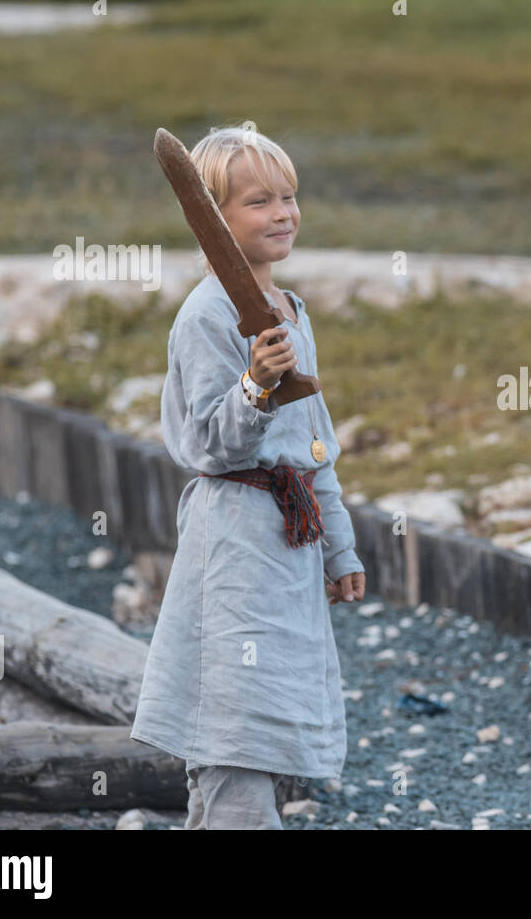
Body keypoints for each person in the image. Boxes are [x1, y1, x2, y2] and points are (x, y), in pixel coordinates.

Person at [130, 124, 366, 829]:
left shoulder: (291, 311)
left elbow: (314, 443)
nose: (284, 212)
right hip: (233, 539)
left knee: (264, 711)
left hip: (289, 544)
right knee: (231, 717)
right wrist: (254, 388)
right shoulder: (206, 315)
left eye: (289, 196)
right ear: (215, 219)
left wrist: (340, 546)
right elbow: (207, 442)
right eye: (261, 201)